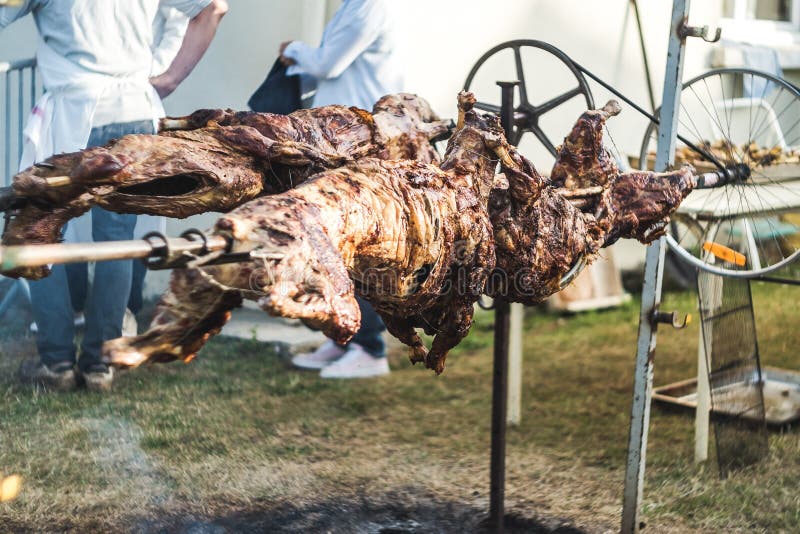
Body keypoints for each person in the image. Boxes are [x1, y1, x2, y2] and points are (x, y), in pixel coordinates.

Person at [1, 0, 228, 392]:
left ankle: (57, 363)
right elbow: (214, 8)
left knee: (36, 231)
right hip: (132, 110)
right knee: (116, 239)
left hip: (74, 108)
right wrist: (170, 78)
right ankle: (99, 364)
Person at [279, 0, 402, 379]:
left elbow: (329, 64)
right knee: (334, 244)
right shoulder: (352, 6)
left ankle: (370, 349)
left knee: (360, 246)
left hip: (363, 141)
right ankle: (343, 338)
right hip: (341, 139)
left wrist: (293, 50)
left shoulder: (369, 7)